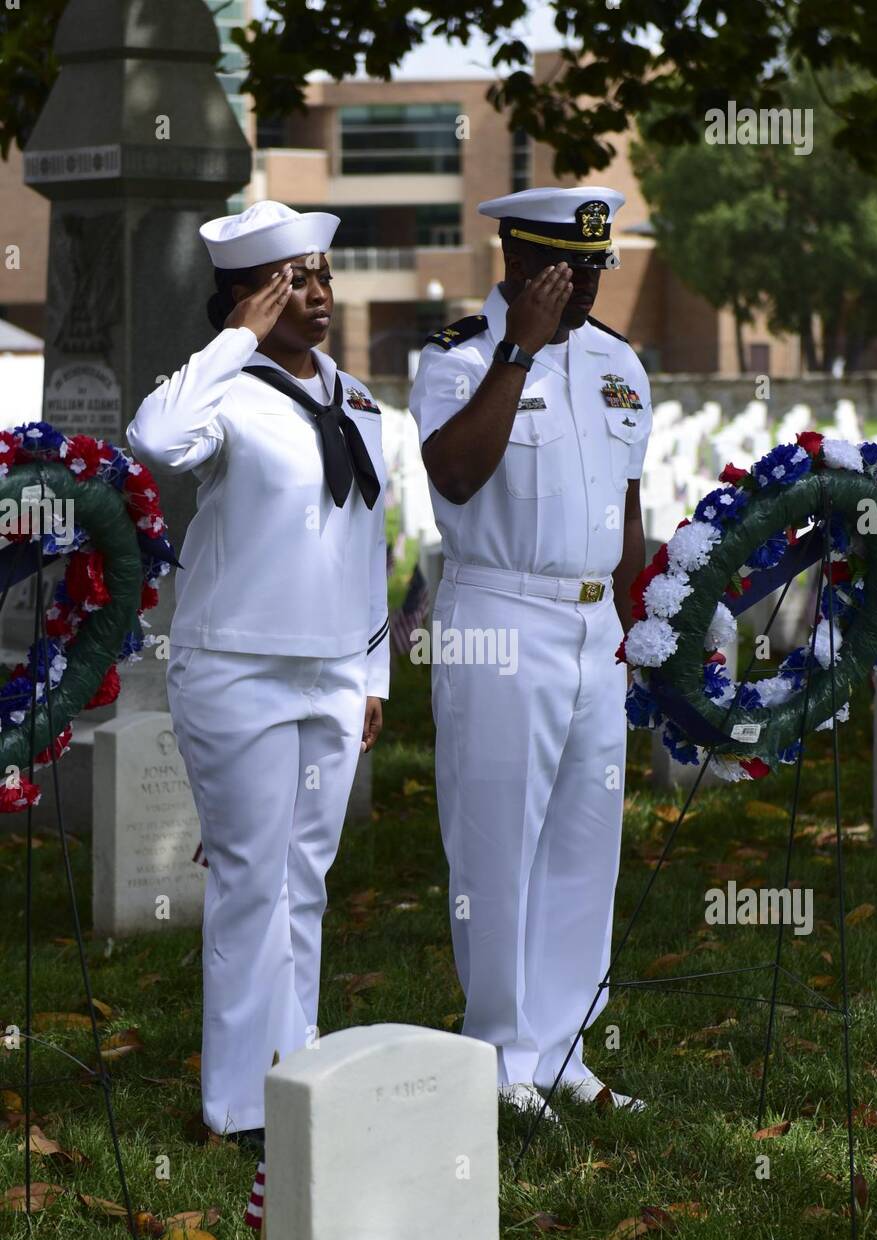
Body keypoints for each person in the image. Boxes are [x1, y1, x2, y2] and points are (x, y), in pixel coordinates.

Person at [127, 200, 389, 1147]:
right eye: (296, 279)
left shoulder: (355, 398)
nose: (319, 294)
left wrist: (375, 675)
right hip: (235, 667)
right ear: (251, 295)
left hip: (330, 670)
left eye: (323, 276)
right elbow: (154, 440)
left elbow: (371, 544)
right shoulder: (222, 395)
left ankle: (299, 1069)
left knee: (304, 877)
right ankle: (238, 1103)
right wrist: (235, 342)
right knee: (249, 878)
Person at [408, 186, 651, 1116]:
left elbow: (625, 505)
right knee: (497, 844)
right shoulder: (462, 355)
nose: (586, 284)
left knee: (587, 848)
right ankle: (501, 1057)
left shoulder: (619, 362)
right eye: (568, 266)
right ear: (516, 259)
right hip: (501, 613)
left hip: (596, 628)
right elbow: (457, 473)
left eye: (597, 267)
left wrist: (639, 617)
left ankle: (563, 1052)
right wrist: (520, 350)